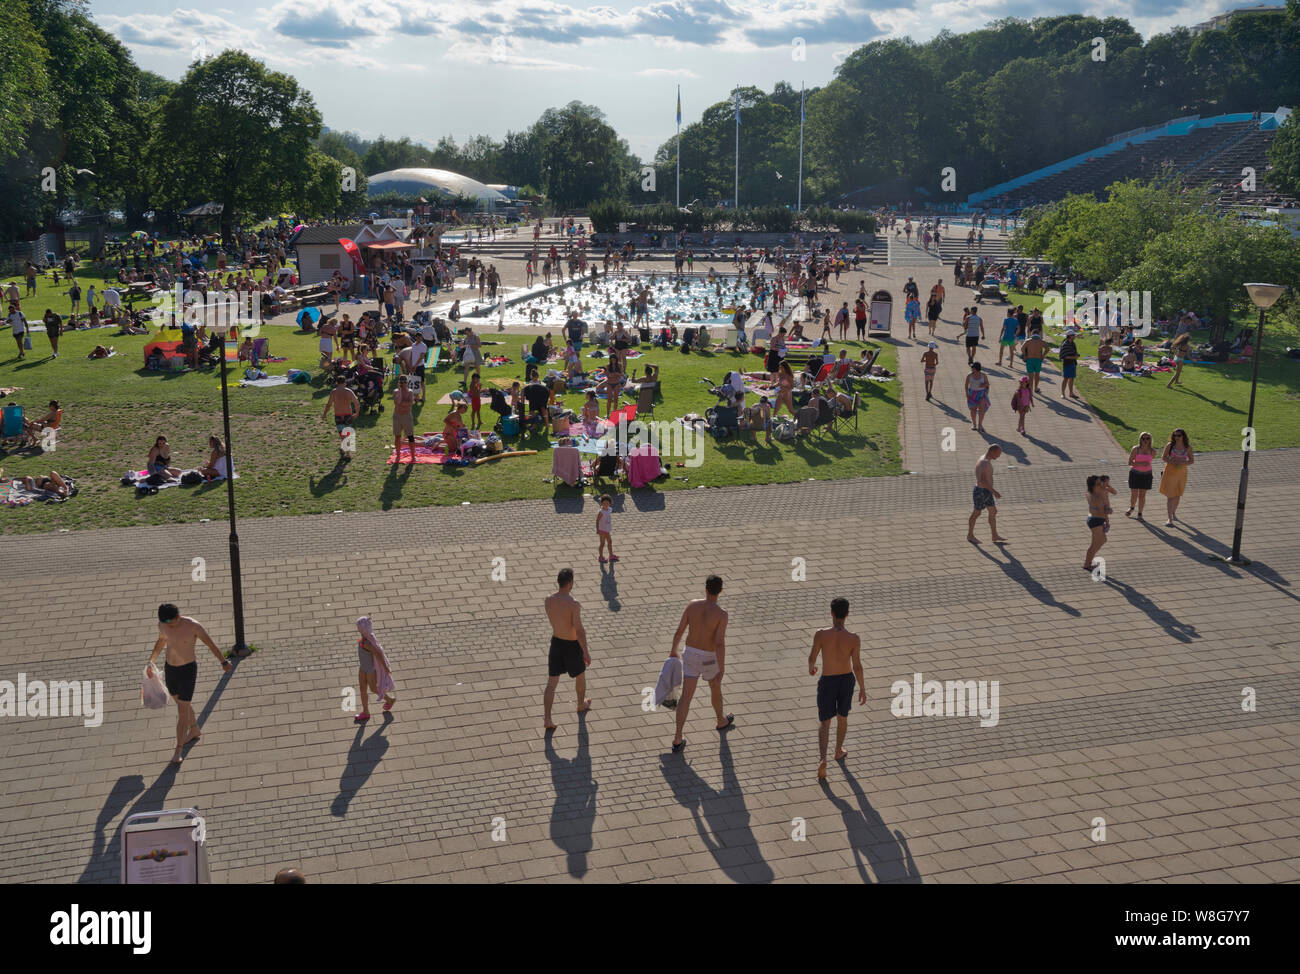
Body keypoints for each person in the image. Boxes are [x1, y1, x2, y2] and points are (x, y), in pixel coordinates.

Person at [147, 604, 231, 765]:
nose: (170, 626)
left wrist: (223, 661)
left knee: (182, 710)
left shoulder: (193, 626)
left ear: (178, 615)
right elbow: (161, 641)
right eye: (167, 623)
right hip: (170, 669)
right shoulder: (163, 625)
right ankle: (194, 729)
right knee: (180, 703)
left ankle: (178, 750)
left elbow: (210, 644)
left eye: (172, 622)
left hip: (187, 671)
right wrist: (151, 661)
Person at [668, 575, 733, 753]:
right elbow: (719, 642)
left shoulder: (692, 606)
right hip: (709, 657)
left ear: (705, 588)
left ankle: (677, 737)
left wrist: (674, 649)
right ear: (720, 591)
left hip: (690, 653)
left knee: (686, 697)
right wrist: (722, 666)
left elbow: (680, 630)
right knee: (715, 687)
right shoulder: (721, 615)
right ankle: (721, 720)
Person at [809, 597, 865, 780]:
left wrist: (812, 667)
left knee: (825, 721)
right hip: (846, 680)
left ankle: (822, 759)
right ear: (847, 614)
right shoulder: (853, 638)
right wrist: (863, 688)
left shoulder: (821, 634)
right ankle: (838, 750)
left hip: (828, 680)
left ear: (831, 613)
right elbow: (857, 666)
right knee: (843, 717)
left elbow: (812, 657)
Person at [543, 568, 592, 732]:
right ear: (570, 582)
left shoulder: (548, 600)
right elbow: (579, 630)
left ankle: (548, 718)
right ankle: (580, 704)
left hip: (556, 642)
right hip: (571, 645)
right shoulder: (574, 604)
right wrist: (585, 651)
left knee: (552, 683)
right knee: (580, 675)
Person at [354, 616, 396, 722]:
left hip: (370, 670)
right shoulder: (365, 638)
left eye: (359, 628)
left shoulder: (367, 642)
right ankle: (366, 712)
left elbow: (378, 654)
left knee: (373, 688)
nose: (358, 630)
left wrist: (386, 668)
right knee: (362, 689)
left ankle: (390, 700)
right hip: (363, 667)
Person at [968, 445, 1007, 543]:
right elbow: (981, 481)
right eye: (997, 454)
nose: (998, 456)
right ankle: (970, 535)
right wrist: (994, 492)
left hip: (987, 491)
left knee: (993, 511)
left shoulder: (986, 460)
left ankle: (994, 535)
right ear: (991, 452)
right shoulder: (983, 463)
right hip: (981, 491)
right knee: (977, 513)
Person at [1158, 428, 1194, 526]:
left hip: (1181, 473)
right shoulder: (1170, 445)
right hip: (1170, 472)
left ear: (1183, 436)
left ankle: (1173, 513)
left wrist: (1183, 462)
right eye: (1175, 435)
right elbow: (1163, 457)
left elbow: (1191, 460)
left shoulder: (1187, 447)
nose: (1176, 437)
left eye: (1179, 435)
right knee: (1170, 496)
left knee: (1178, 495)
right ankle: (1169, 519)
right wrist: (1171, 461)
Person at [1084, 474, 1118, 572]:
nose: (1102, 485)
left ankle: (1088, 562)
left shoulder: (1089, 493)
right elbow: (1101, 513)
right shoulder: (1097, 498)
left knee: (1102, 540)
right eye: (1099, 483)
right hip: (1096, 521)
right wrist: (1108, 518)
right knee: (1094, 545)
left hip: (1093, 519)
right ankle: (1087, 564)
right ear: (1095, 486)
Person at [322, 374, 359, 459]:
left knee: (343, 435)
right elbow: (357, 403)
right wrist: (356, 413)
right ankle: (343, 449)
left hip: (338, 416)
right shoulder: (349, 391)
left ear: (337, 383)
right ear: (345, 382)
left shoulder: (334, 392)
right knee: (346, 434)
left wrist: (324, 414)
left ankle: (347, 453)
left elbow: (329, 405)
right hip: (348, 415)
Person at [1126, 432, 1155, 520]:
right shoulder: (1136, 449)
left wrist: (1143, 465)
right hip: (1135, 474)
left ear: (1150, 440)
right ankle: (1131, 507)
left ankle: (1140, 513)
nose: (1145, 440)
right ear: (1140, 439)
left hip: (1147, 475)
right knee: (1134, 494)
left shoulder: (1153, 451)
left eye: (1147, 438)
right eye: (1143, 438)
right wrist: (1141, 463)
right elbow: (1130, 463)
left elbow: (1149, 462)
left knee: (1142, 495)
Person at [392, 376, 416, 463]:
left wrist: (402, 403)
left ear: (407, 382)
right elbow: (397, 402)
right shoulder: (396, 391)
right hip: (397, 416)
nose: (402, 384)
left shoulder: (410, 392)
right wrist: (400, 391)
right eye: (401, 382)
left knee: (410, 436)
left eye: (404, 382)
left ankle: (413, 456)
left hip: (407, 416)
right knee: (397, 436)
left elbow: (410, 404)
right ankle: (398, 455)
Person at [965, 361, 989, 431]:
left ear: (976, 369)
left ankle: (980, 424)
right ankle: (974, 424)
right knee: (973, 410)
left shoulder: (983, 375)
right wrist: (967, 394)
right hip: (972, 394)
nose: (971, 369)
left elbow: (987, 384)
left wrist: (983, 385)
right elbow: (966, 385)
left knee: (982, 410)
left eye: (973, 368)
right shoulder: (969, 375)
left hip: (981, 394)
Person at [1058, 328, 1079, 398]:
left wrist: (1076, 355)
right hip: (1067, 364)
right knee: (1066, 378)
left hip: (1073, 363)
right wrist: (1074, 357)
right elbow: (1064, 356)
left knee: (1072, 378)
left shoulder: (1073, 343)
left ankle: (1071, 393)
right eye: (1073, 335)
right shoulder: (1065, 344)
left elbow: (1073, 352)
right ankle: (1063, 393)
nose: (1075, 336)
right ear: (1070, 336)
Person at [596, 493, 617, 563]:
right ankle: (601, 557)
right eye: (604, 503)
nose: (606, 505)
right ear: (601, 504)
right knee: (602, 543)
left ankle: (611, 555)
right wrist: (597, 529)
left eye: (607, 503)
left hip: (607, 529)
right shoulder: (601, 512)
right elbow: (597, 520)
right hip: (602, 530)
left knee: (610, 542)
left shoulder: (609, 509)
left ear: (610, 503)